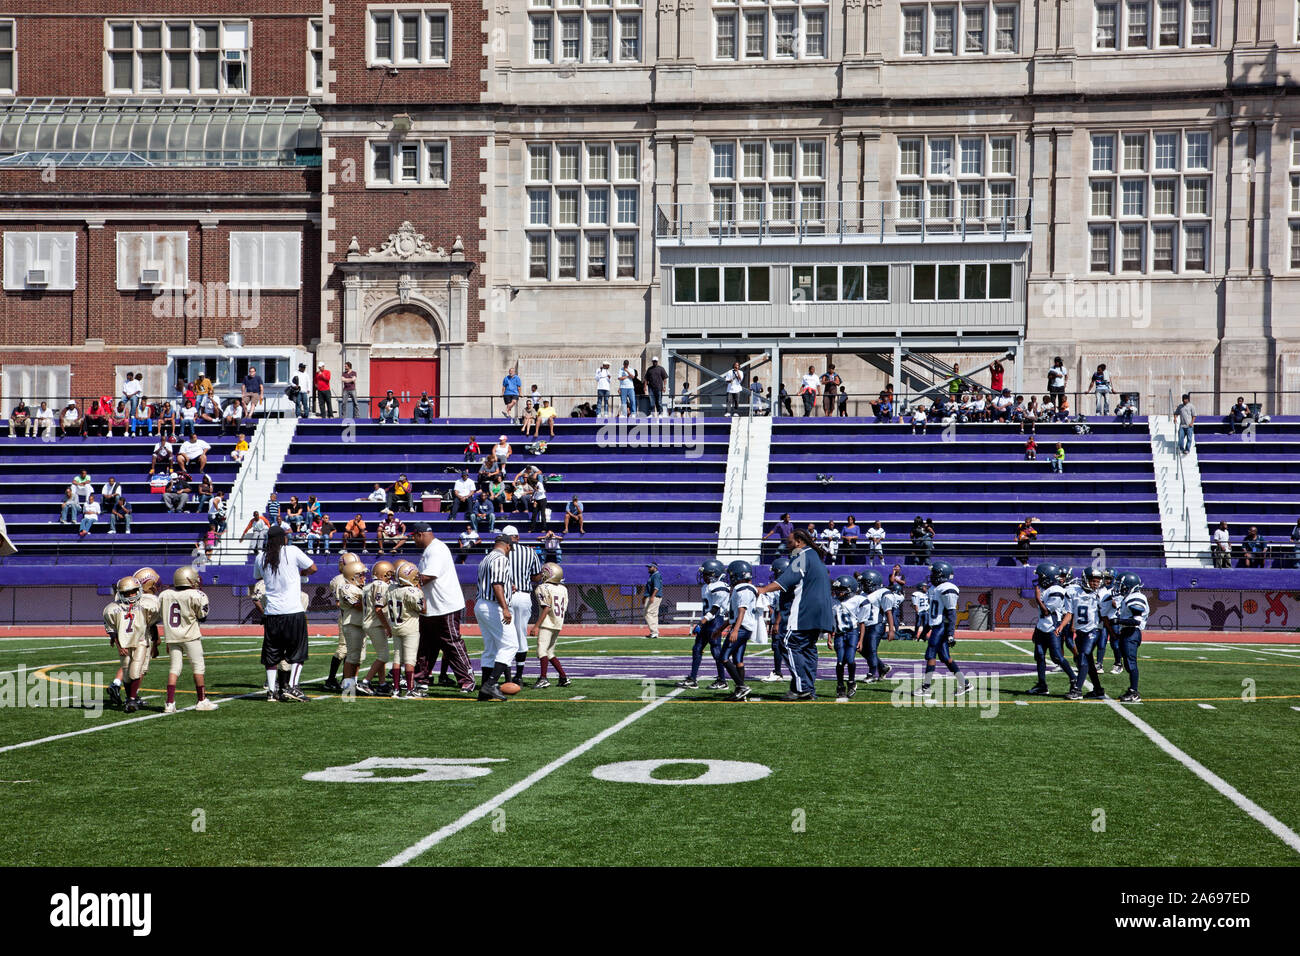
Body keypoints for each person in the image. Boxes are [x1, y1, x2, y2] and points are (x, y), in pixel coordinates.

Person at [756, 528, 835, 701]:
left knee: (789, 644)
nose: (787, 546)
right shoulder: (815, 557)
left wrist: (763, 589)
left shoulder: (802, 555)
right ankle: (808, 689)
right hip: (821, 612)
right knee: (808, 649)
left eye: (790, 542)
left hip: (805, 610)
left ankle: (801, 688)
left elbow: (787, 579)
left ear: (799, 542)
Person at [254, 525, 317, 702]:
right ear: (283, 538)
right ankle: (293, 686)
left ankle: (272, 691)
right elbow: (313, 568)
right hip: (292, 610)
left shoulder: (261, 556)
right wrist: (300, 572)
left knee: (272, 654)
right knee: (298, 652)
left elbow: (257, 576)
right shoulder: (292, 551)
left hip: (272, 612)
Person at [413, 523, 477, 694]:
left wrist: (406, 580)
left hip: (444, 605)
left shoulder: (436, 549)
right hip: (431, 606)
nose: (414, 540)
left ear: (420, 534)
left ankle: (467, 679)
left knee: (452, 643)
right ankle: (421, 679)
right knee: (426, 645)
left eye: (414, 536)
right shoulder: (430, 549)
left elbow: (429, 576)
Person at [158, 567, 217, 714]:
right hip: (190, 636)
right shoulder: (196, 594)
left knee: (174, 668)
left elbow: (162, 614)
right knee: (198, 667)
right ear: (188, 579)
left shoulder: (165, 595)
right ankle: (202, 700)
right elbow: (202, 616)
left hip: (172, 637)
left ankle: (169, 703)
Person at [912, 562, 972, 698]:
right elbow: (932, 615)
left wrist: (951, 634)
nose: (932, 576)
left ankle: (925, 687)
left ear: (941, 575)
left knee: (930, 654)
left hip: (942, 628)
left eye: (934, 573)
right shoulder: (934, 588)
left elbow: (951, 613)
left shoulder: (948, 588)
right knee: (945, 657)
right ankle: (966, 684)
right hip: (937, 626)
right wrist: (924, 631)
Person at [677, 559, 731, 691]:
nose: (704, 576)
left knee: (716, 651)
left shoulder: (721, 587)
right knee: (697, 649)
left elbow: (715, 609)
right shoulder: (706, 587)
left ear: (714, 574)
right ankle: (692, 679)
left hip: (716, 621)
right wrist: (702, 621)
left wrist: (701, 622)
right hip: (707, 621)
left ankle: (722, 680)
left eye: (706, 574)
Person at [475, 534, 516, 701]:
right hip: (493, 606)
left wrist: (507, 588)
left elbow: (496, 583)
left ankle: (484, 691)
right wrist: (505, 607)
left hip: (482, 604)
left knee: (491, 648)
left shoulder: (486, 558)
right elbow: (496, 584)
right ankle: (490, 684)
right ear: (506, 546)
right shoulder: (500, 559)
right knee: (511, 645)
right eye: (511, 547)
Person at [1027, 563, 1077, 696]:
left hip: (1052, 628)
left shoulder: (1057, 590)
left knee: (1057, 657)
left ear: (1047, 577)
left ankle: (1074, 680)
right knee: (1039, 655)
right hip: (1042, 627)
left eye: (1040, 576)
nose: (1038, 579)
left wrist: (1037, 598)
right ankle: (1042, 685)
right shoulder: (1047, 588)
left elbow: (1047, 612)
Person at [503, 524, 542, 686]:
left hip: (504, 597)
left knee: (504, 636)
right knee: (520, 635)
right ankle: (519, 675)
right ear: (517, 537)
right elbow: (537, 576)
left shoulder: (499, 552)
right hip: (523, 596)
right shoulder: (530, 552)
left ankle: (507, 676)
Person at [385, 561, 426, 698]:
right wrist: (420, 590)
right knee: (409, 660)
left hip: (396, 626)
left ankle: (396, 689)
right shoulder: (413, 592)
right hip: (409, 628)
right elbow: (423, 609)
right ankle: (410, 689)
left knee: (397, 658)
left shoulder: (391, 589)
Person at [1066, 568, 1108, 701]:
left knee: (1083, 656)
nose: (1096, 583)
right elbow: (1071, 611)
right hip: (1080, 631)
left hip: (1094, 629)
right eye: (1093, 580)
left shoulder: (1103, 593)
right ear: (1085, 579)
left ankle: (1077, 690)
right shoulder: (1074, 591)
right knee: (1088, 661)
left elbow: (1109, 610)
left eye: (1097, 581)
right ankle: (1098, 689)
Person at [327, 558, 367, 694]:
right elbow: (341, 603)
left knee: (357, 651)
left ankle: (346, 680)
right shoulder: (340, 580)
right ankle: (334, 680)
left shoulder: (351, 578)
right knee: (345, 649)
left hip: (357, 617)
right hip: (348, 617)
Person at [531, 563, 571, 687]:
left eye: (544, 573)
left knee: (541, 651)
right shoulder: (563, 588)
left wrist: (536, 626)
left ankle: (543, 678)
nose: (542, 575)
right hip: (558, 622)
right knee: (550, 652)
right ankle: (563, 677)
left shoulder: (543, 588)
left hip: (547, 622)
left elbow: (546, 608)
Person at [1111, 572, 1149, 702]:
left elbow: (1136, 620)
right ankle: (1132, 690)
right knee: (1127, 663)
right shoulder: (1129, 597)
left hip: (1132, 633)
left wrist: (1117, 621)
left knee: (1131, 663)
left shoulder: (1137, 597)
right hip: (1127, 632)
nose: (1120, 588)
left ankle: (1134, 692)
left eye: (1122, 586)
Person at [856, 569, 898, 684]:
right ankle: (882, 668)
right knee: (861, 649)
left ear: (872, 582)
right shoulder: (863, 594)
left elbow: (888, 612)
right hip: (866, 625)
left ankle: (871, 674)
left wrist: (891, 630)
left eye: (865, 583)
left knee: (872, 650)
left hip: (877, 625)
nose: (863, 585)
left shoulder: (883, 593)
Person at [830, 574, 866, 699]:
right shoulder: (833, 602)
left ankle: (851, 682)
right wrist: (830, 637)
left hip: (852, 633)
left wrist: (861, 640)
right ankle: (840, 686)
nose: (837, 592)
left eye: (841, 590)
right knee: (840, 662)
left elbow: (862, 622)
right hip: (839, 634)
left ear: (849, 590)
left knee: (850, 659)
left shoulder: (857, 600)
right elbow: (832, 622)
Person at [643, 560, 663, 639]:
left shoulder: (656, 575)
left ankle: (654, 632)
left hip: (654, 596)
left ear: (655, 568)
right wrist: (644, 597)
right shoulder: (653, 575)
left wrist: (652, 597)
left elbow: (656, 587)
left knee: (647, 613)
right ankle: (654, 632)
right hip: (653, 596)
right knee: (653, 614)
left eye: (650, 567)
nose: (648, 568)